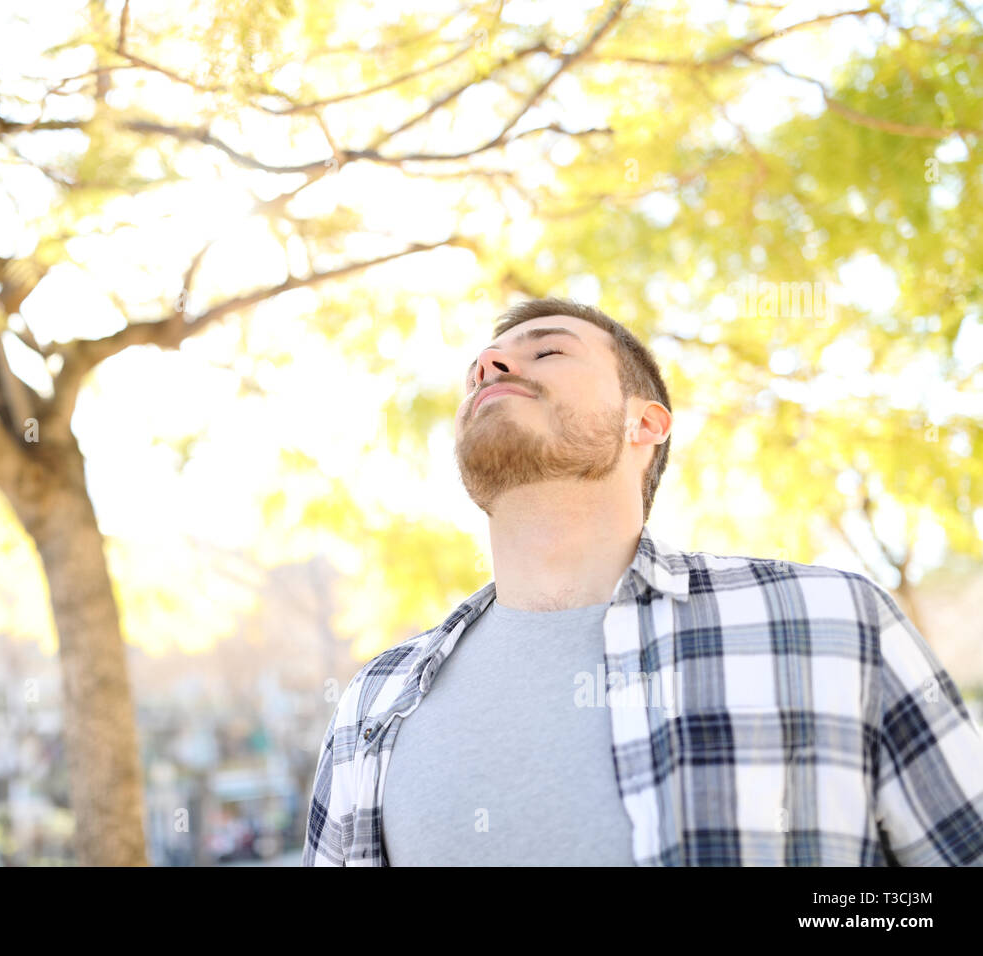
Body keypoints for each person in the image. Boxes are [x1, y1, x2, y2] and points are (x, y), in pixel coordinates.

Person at [301, 296, 983, 866]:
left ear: (646, 422)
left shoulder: (836, 622)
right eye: (480, 368)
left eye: (548, 350)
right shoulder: (372, 703)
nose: (490, 364)